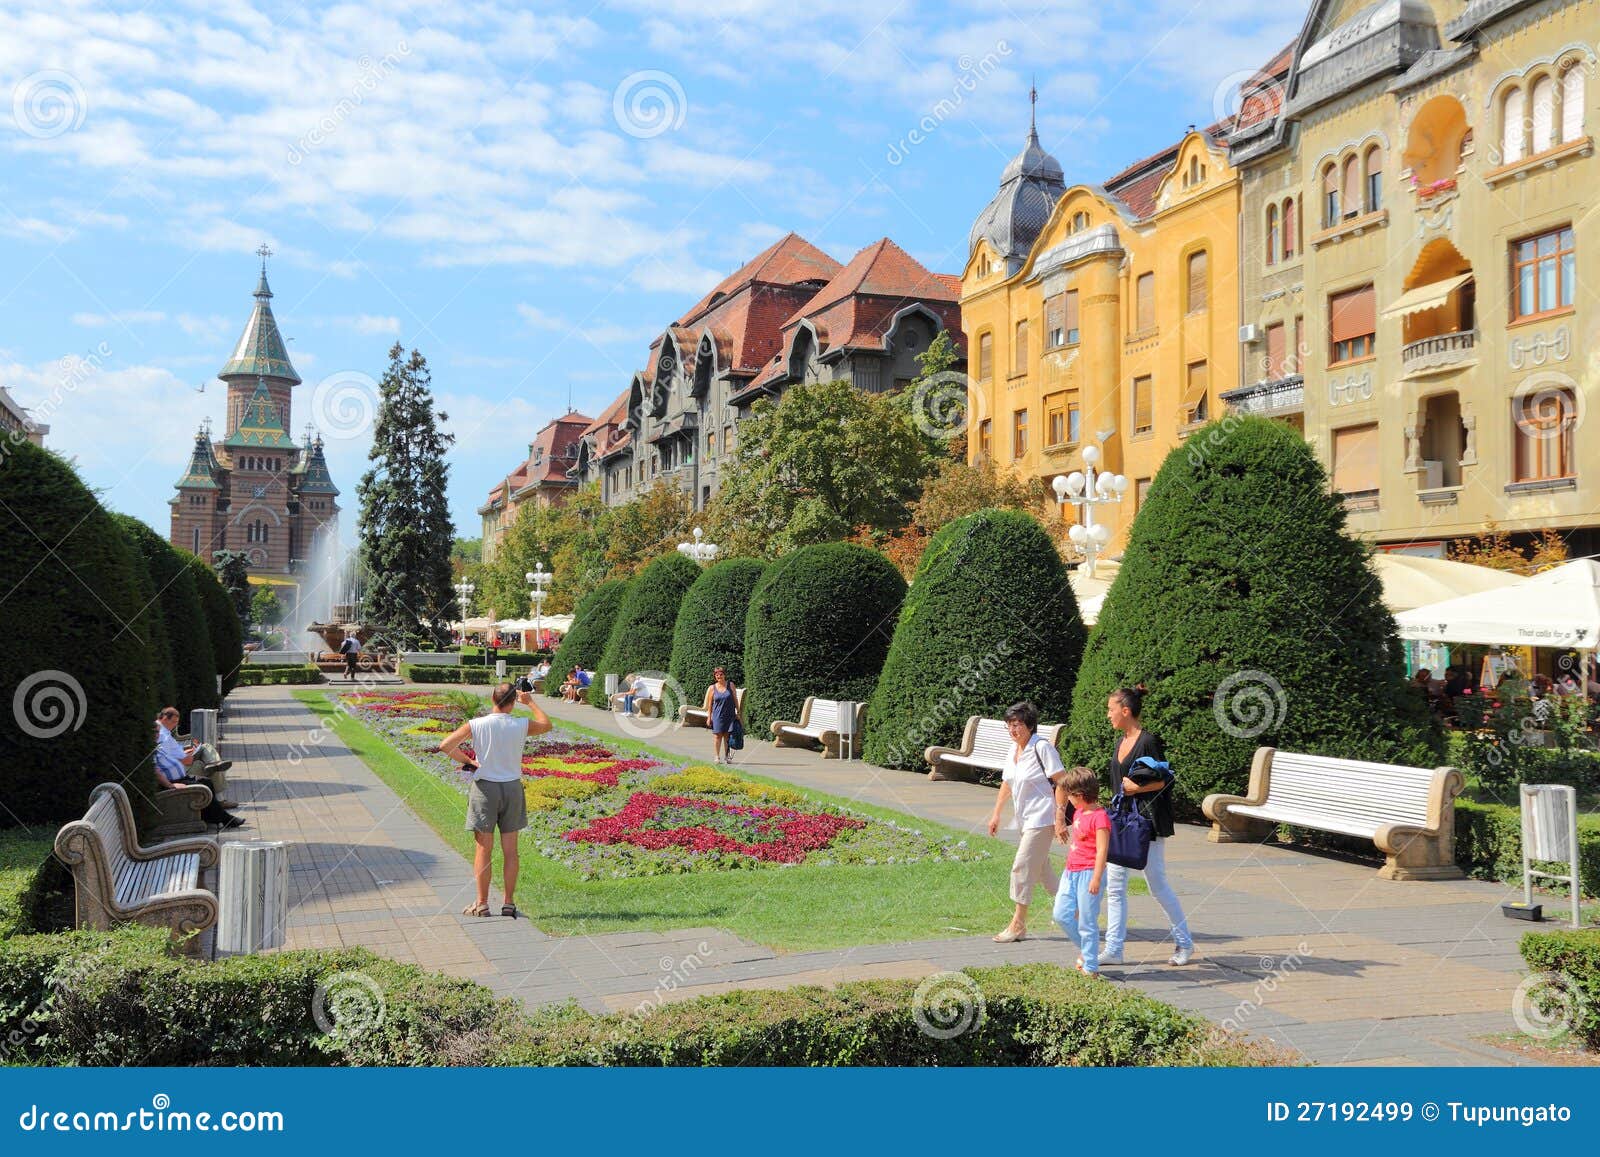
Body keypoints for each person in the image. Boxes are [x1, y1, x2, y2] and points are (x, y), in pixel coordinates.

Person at [1088, 685, 1194, 967]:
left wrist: (1137, 788)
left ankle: (1184, 943)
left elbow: (1166, 779)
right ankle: (1114, 949)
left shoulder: (1147, 741)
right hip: (1121, 821)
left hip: (1146, 822)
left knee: (1157, 885)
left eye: (1111, 710)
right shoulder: (1120, 741)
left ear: (1125, 711)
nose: (1108, 715)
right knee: (1116, 886)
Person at [435, 682, 552, 918]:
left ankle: (482, 903)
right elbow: (547, 725)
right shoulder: (520, 724)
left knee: (483, 849)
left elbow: (445, 745)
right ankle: (508, 903)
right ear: (512, 702)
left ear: (492, 699)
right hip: (512, 788)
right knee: (511, 850)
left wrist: (469, 762)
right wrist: (530, 702)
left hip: (485, 789)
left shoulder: (477, 724)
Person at [986, 701, 1065, 943]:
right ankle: (1076, 912)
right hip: (1024, 819)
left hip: (1042, 818)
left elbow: (1063, 781)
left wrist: (1060, 816)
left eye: (1017, 724)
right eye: (1009, 725)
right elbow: (1007, 782)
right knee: (1043, 872)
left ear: (1030, 725)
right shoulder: (1013, 750)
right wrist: (996, 813)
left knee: (1021, 867)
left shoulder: (1042, 748)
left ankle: (1018, 924)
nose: (1012, 729)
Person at [1051, 765, 1110, 977]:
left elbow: (1103, 850)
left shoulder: (1100, 817)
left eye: (1071, 795)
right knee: (1061, 914)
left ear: (1081, 795)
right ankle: (1088, 951)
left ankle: (1091, 967)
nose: (1068, 799)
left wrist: (1096, 877)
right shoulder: (1078, 812)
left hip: (1089, 873)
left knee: (1087, 922)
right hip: (1071, 871)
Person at [153, 708, 244, 828]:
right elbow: (156, 769)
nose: (175, 726)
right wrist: (170, 785)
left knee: (207, 781)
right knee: (204, 779)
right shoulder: (160, 740)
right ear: (164, 718)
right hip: (176, 779)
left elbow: (173, 754)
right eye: (174, 722)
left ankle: (212, 815)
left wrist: (185, 751)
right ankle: (225, 818)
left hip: (181, 774)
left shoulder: (160, 741)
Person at [703, 667, 741, 763]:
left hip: (730, 715)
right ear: (715, 676)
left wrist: (738, 712)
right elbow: (710, 704)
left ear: (724, 675)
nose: (719, 676)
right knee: (717, 736)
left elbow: (735, 699)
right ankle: (717, 757)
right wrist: (709, 717)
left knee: (727, 736)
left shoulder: (731, 685)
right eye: (717, 675)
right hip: (717, 715)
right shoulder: (712, 688)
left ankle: (727, 757)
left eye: (721, 674)